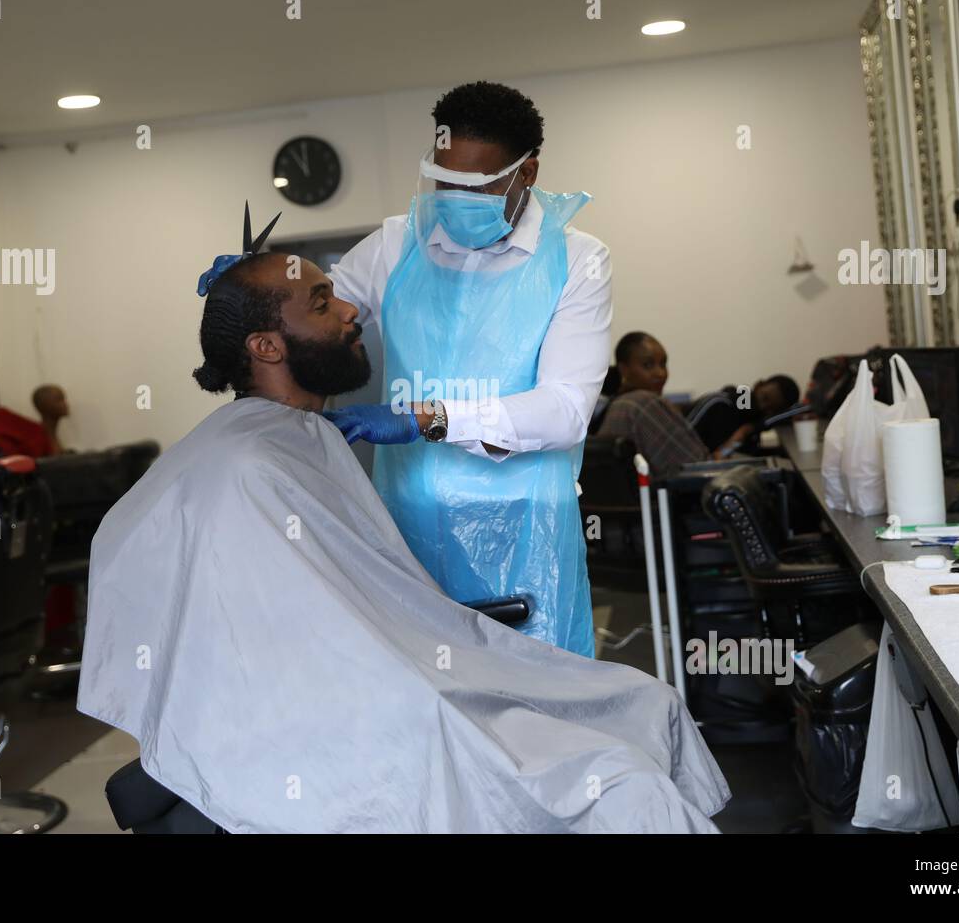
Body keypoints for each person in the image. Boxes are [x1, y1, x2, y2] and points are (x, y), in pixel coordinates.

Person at [76, 206, 729, 833]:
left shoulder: (300, 438)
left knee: (644, 702)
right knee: (614, 777)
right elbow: (312, 652)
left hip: (401, 685)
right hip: (363, 716)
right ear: (267, 346)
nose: (354, 311)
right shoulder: (250, 463)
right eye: (324, 303)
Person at [324, 81, 611, 657]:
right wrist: (264, 290)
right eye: (442, 178)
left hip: (523, 535)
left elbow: (564, 411)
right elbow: (319, 313)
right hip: (405, 526)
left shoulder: (576, 260)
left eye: (474, 185)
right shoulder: (395, 245)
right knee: (428, 705)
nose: (453, 195)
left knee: (534, 707)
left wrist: (425, 420)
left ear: (526, 173)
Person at [595, 332, 710, 481]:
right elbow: (697, 467)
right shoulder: (643, 404)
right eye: (648, 365)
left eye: (663, 364)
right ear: (624, 369)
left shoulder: (613, 405)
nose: (660, 373)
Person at [687, 374, 801, 456]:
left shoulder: (750, 416)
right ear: (758, 385)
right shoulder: (719, 404)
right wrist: (742, 433)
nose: (762, 407)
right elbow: (717, 457)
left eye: (770, 409)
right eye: (764, 398)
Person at [0, 385, 67, 459]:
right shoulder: (34, 436)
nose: (66, 404)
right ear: (44, 405)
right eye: (59, 400)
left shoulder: (41, 434)